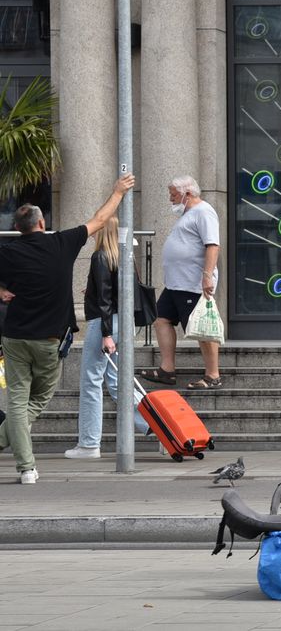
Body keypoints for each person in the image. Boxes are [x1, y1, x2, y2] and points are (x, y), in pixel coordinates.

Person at [0, 173, 135, 484]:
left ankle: (23, 462)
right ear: (42, 224)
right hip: (48, 339)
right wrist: (117, 191)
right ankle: (27, 467)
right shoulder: (61, 243)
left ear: (18, 229)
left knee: (18, 400)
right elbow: (100, 219)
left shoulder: (8, 251)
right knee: (38, 398)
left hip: (15, 336)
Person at [64, 216, 150, 459]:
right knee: (117, 381)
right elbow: (115, 292)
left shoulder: (100, 256)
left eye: (95, 228)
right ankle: (154, 423)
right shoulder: (124, 257)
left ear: (103, 232)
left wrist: (105, 334)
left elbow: (103, 300)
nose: (91, 231)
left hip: (105, 323)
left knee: (91, 381)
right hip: (123, 322)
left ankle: (89, 443)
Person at [140, 175, 222, 390]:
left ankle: (213, 375)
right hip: (176, 283)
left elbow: (213, 245)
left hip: (192, 282)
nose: (170, 198)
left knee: (202, 328)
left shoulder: (204, 212)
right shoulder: (189, 214)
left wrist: (207, 275)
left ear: (187, 194)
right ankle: (167, 370)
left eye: (173, 194)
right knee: (161, 319)